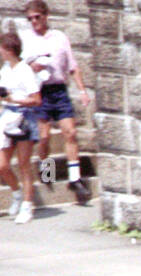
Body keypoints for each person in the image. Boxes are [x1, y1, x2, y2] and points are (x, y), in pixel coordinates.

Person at [20, 1, 90, 204]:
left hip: (59, 90)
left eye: (37, 17)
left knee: (71, 132)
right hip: (40, 91)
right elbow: (22, 67)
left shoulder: (60, 38)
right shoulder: (27, 40)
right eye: (30, 19)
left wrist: (82, 91)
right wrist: (34, 66)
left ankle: (75, 179)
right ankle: (46, 169)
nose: (34, 22)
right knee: (44, 137)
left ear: (46, 16)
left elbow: (73, 66)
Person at [0, 31, 39, 224]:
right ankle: (16, 194)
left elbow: (36, 100)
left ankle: (27, 205)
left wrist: (14, 99)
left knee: (24, 164)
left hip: (25, 117)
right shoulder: (5, 69)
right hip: (7, 116)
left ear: (9, 49)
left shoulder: (25, 70)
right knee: (2, 165)